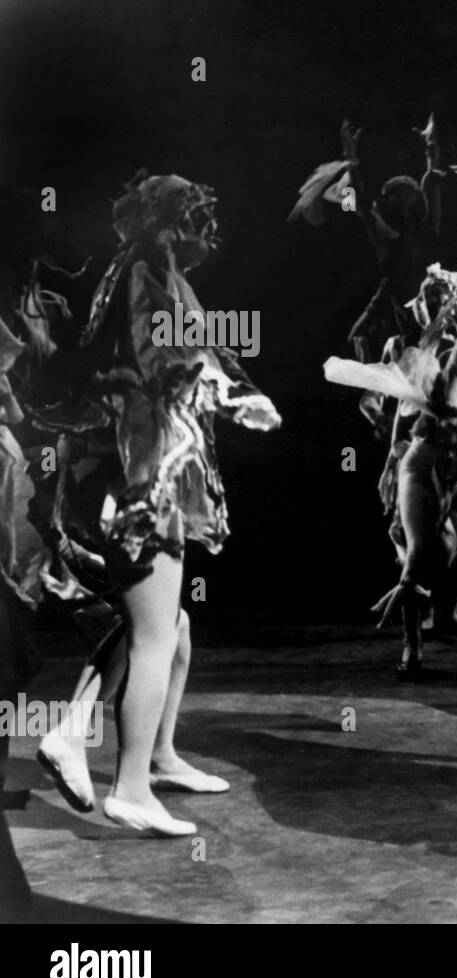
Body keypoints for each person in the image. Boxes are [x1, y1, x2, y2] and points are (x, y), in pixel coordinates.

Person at [38, 173, 281, 837]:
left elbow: (207, 346)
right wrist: (230, 398)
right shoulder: (147, 269)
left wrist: (241, 390)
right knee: (152, 632)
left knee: (172, 629)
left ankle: (152, 752)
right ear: (171, 223)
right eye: (194, 224)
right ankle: (130, 784)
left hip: (145, 455)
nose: (204, 237)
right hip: (140, 464)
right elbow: (159, 358)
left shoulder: (155, 270)